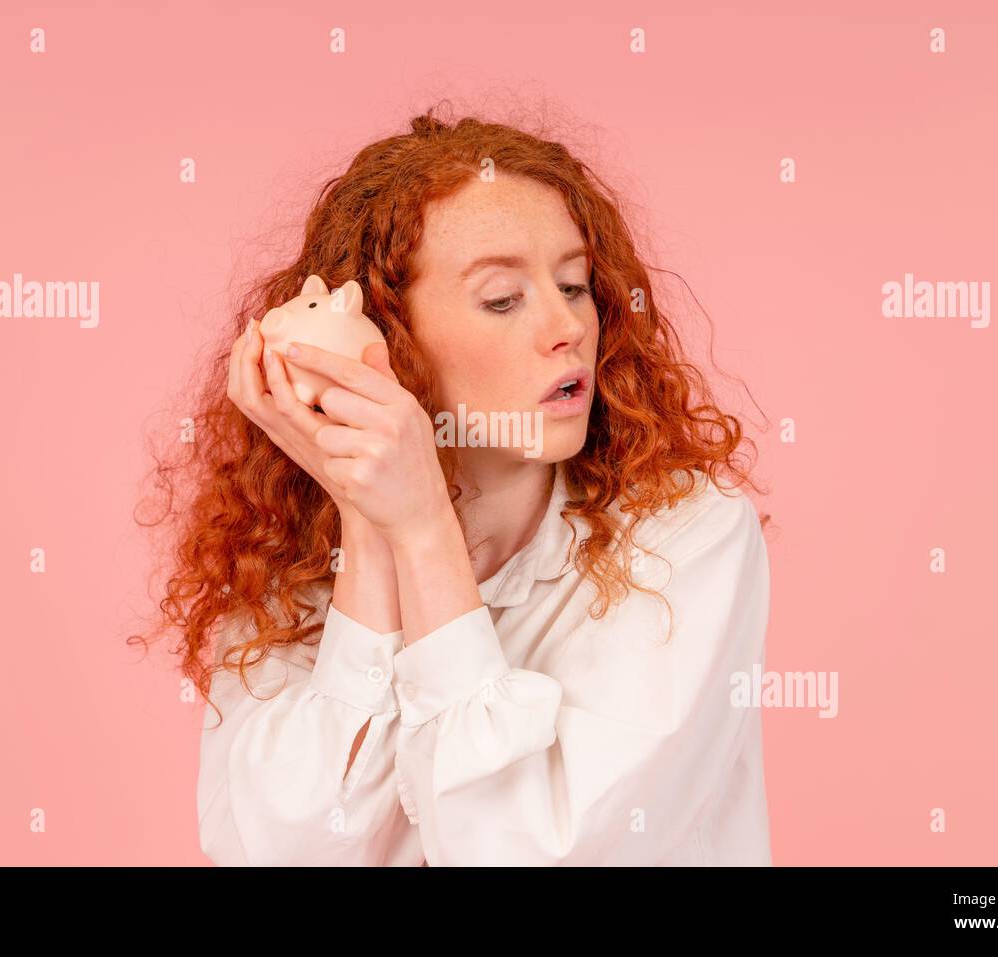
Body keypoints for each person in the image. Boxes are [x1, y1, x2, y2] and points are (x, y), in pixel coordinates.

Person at [152, 105, 773, 866]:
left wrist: (422, 528)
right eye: (503, 299)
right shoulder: (292, 568)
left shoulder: (688, 535)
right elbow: (293, 850)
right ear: (390, 339)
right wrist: (367, 517)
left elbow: (529, 853)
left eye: (575, 285)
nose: (568, 326)